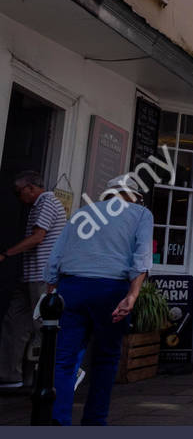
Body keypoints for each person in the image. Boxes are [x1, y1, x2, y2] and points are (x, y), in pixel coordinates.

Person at [44, 173, 152, 425]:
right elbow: (142, 257)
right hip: (110, 289)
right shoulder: (140, 214)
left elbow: (55, 256)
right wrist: (132, 295)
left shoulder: (82, 214)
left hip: (71, 288)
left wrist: (51, 292)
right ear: (133, 196)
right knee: (105, 359)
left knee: (63, 359)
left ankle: (57, 423)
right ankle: (94, 423)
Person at [0, 171, 67, 389]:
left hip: (42, 276)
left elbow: (38, 237)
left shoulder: (47, 202)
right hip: (28, 275)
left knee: (42, 328)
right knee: (14, 323)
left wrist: (7, 254)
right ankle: (11, 376)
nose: (19, 197)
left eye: (19, 192)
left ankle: (40, 380)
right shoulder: (35, 207)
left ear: (31, 187)